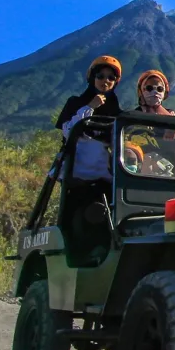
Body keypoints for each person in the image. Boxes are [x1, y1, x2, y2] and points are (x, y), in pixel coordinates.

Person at [54, 55, 123, 264]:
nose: (105, 81)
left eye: (111, 78)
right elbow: (69, 131)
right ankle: (78, 257)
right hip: (76, 174)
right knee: (79, 215)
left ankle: (102, 256)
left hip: (104, 175)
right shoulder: (76, 103)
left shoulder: (116, 112)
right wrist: (90, 107)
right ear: (92, 78)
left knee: (105, 215)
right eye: (100, 76)